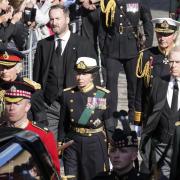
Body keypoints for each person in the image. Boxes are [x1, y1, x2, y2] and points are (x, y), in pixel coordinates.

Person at [33, 4, 97, 138]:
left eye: (58, 19)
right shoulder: (43, 45)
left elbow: (93, 78)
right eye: (51, 19)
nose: (54, 23)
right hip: (50, 106)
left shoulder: (83, 44)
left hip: (76, 105)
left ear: (67, 19)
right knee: (50, 147)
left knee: (73, 148)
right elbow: (36, 80)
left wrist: (90, 111)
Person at [58, 57, 115, 180]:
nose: (80, 78)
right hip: (72, 142)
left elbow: (109, 122)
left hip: (94, 143)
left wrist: (112, 145)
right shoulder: (67, 94)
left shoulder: (102, 95)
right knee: (71, 177)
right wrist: (60, 141)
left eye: (84, 74)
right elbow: (63, 121)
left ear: (92, 76)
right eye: (78, 73)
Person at [99, 0, 153, 122]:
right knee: (110, 85)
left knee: (134, 84)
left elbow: (147, 21)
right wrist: (103, 48)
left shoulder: (138, 1)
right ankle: (110, 116)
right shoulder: (108, 2)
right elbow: (102, 26)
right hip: (111, 49)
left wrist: (147, 45)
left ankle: (133, 113)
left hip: (132, 48)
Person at [0, 78, 60, 174]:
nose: (11, 108)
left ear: (27, 107)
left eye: (16, 103)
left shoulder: (43, 134)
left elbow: (53, 172)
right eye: (8, 103)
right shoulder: (1, 131)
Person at [139, 46, 180, 179]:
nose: (173, 65)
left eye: (178, 62)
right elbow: (149, 111)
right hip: (160, 145)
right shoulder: (158, 82)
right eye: (171, 62)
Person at [134, 18, 180, 127]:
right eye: (159, 34)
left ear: (174, 35)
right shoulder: (146, 56)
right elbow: (140, 91)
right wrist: (138, 122)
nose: (162, 38)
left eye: (166, 35)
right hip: (151, 116)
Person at [0, 48, 48, 125]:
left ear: (19, 69)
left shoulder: (31, 89)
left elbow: (41, 118)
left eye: (8, 68)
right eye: (2, 67)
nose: (4, 71)